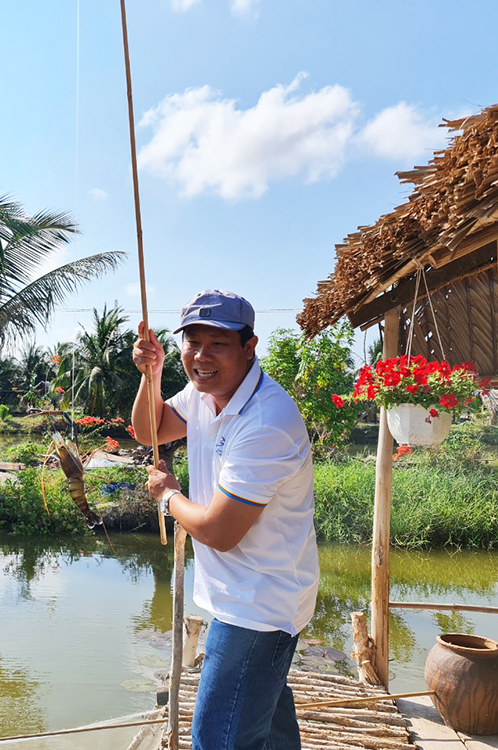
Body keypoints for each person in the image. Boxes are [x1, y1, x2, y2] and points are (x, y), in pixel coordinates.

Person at [130, 289, 319, 750]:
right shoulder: (204, 394)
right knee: (265, 727)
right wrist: (151, 376)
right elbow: (150, 430)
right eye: (192, 343)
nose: (201, 356)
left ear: (249, 347)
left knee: (218, 738)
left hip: (259, 604)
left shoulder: (265, 420)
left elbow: (219, 531)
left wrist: (168, 496)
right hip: (247, 593)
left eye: (218, 344)